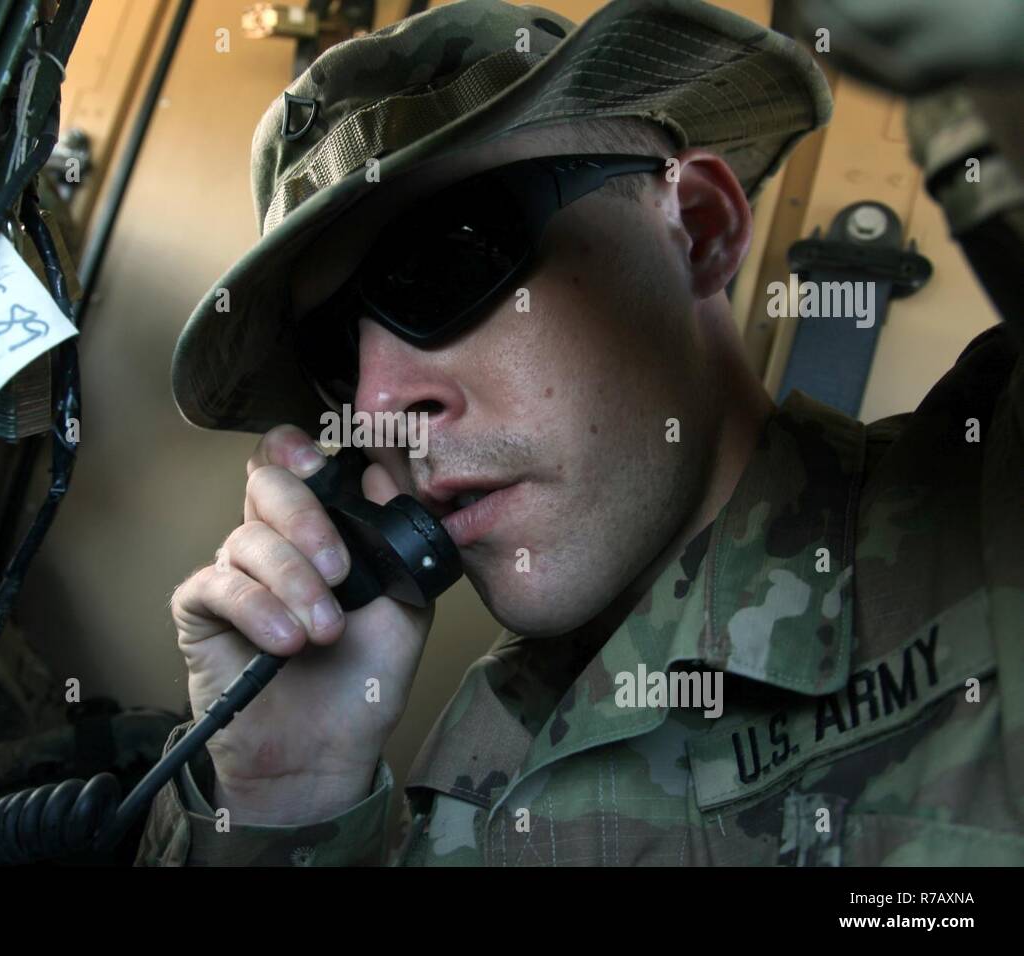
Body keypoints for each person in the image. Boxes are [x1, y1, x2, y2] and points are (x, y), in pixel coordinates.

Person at [137, 0, 1024, 865]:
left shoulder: (986, 520)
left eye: (447, 265)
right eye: (335, 351)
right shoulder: (459, 773)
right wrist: (287, 800)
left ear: (700, 229)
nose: (375, 408)